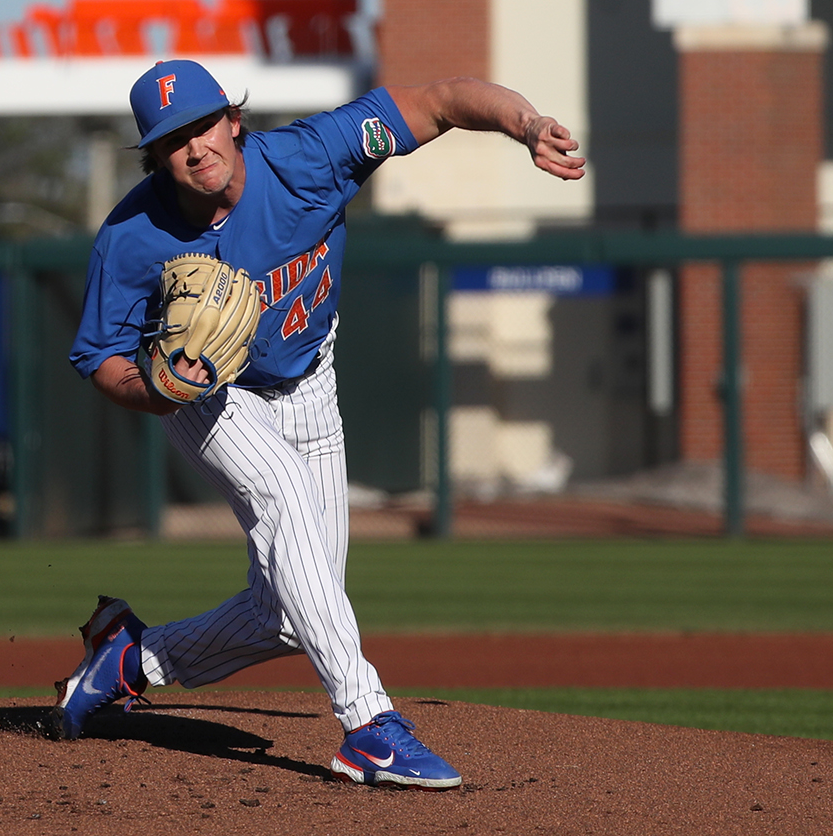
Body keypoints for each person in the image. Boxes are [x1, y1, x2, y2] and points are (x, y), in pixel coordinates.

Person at [58, 61, 584, 787]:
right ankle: (368, 726)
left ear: (233, 121)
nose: (193, 147)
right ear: (154, 153)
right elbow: (99, 357)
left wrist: (526, 125)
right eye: (171, 139)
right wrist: (155, 391)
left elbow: (438, 99)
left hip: (310, 380)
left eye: (203, 124)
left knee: (291, 610)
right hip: (210, 396)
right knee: (284, 498)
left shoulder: (313, 156)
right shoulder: (133, 235)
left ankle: (130, 658)